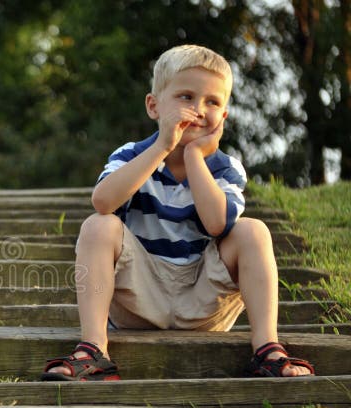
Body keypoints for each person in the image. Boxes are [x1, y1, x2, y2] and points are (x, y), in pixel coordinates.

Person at [41, 44, 315, 381]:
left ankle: (267, 349)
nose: (199, 110)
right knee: (98, 226)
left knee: (253, 230)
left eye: (212, 102)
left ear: (224, 117)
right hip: (139, 298)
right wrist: (162, 148)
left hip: (202, 301)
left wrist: (195, 158)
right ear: (154, 106)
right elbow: (103, 202)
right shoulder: (131, 155)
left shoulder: (226, 169)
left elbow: (216, 224)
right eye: (186, 97)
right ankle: (94, 348)